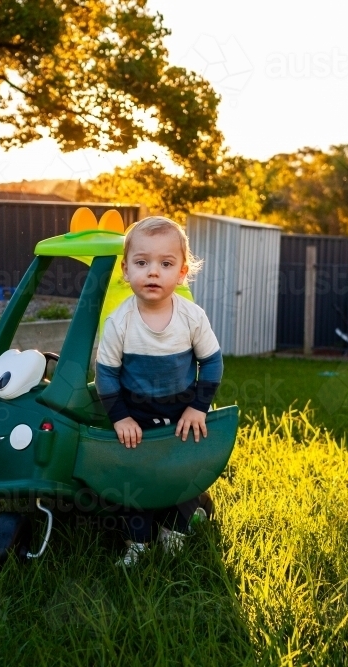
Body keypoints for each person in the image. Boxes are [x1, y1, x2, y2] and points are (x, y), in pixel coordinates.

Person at [95, 216, 223, 566]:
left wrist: (199, 407)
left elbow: (211, 364)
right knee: (137, 476)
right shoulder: (119, 321)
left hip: (184, 411)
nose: (153, 272)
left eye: (165, 264)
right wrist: (120, 417)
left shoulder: (192, 317)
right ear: (125, 270)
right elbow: (106, 374)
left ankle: (175, 534)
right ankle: (137, 542)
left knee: (183, 474)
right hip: (136, 413)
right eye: (142, 263)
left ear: (182, 273)